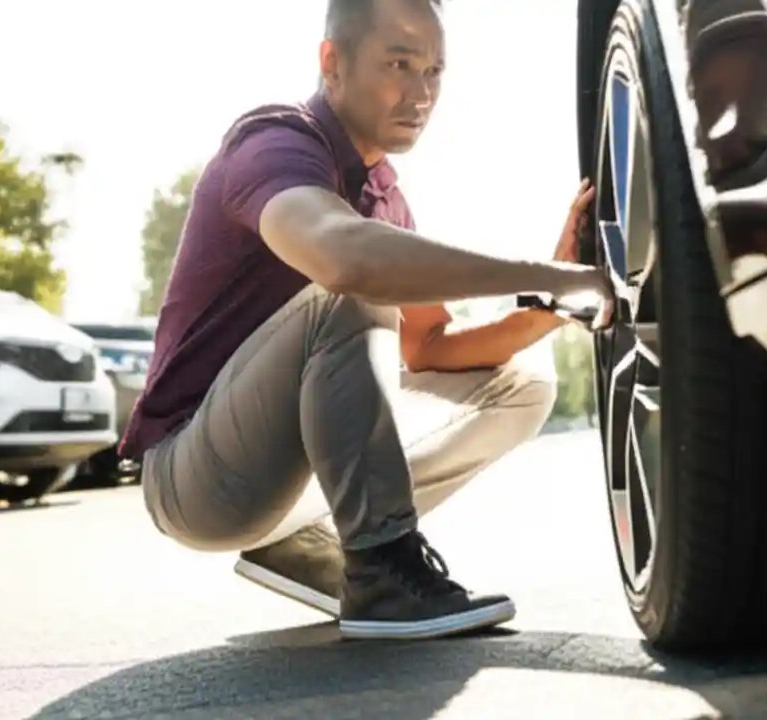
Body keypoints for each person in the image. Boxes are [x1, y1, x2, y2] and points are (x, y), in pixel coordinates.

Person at [118, 0, 612, 641]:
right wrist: (547, 275)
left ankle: (318, 547)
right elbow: (345, 260)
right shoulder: (273, 143)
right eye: (399, 64)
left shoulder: (384, 196)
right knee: (349, 285)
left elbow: (429, 346)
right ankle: (383, 567)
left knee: (523, 383)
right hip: (196, 476)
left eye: (435, 70)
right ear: (333, 63)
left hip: (278, 484)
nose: (421, 92)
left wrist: (551, 302)